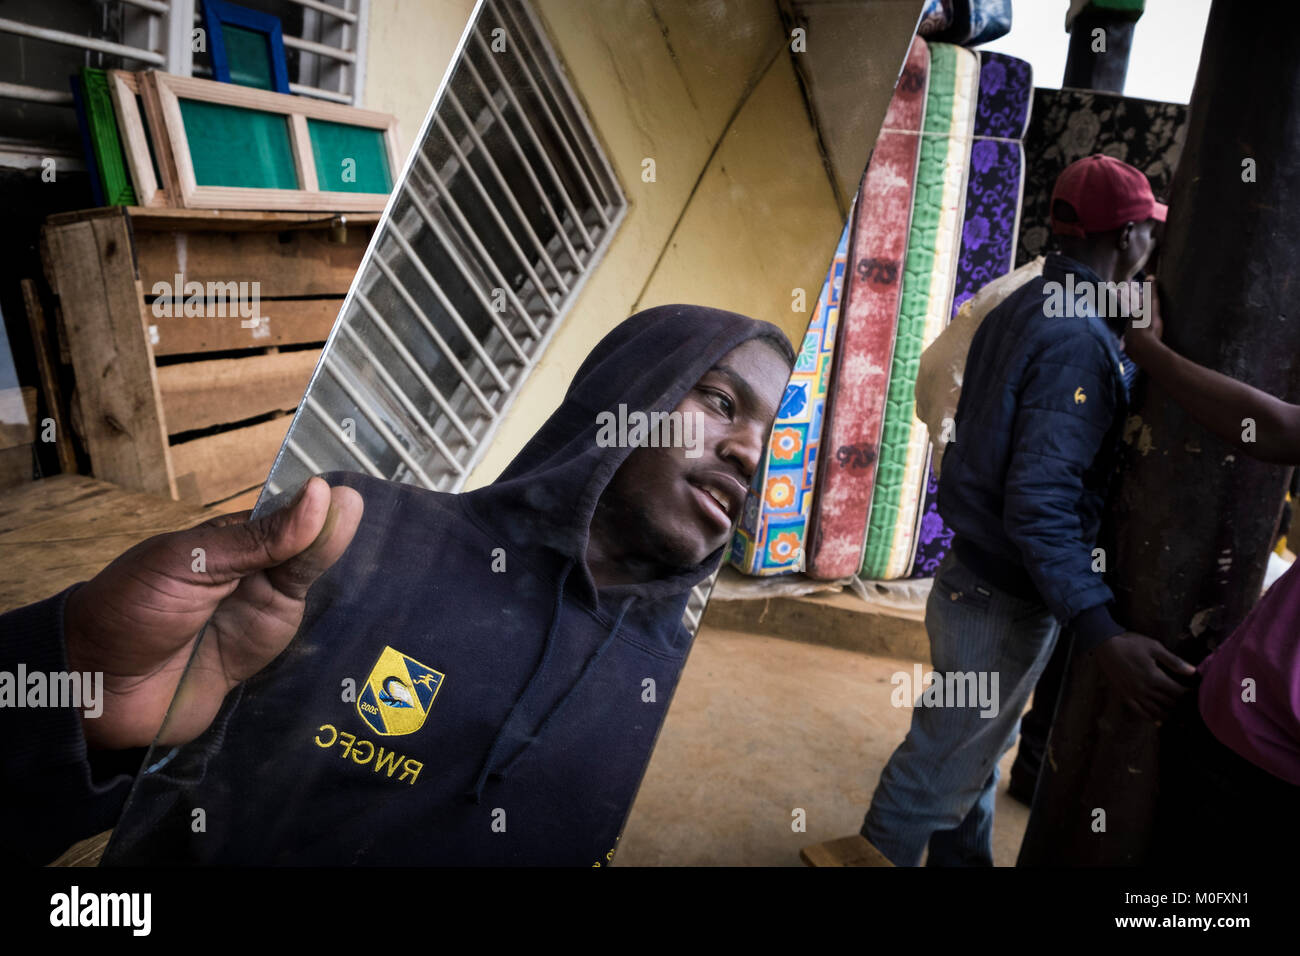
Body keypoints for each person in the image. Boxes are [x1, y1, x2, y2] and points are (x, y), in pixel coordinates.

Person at [0, 304, 793, 866]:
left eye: (769, 436)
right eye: (721, 402)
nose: (748, 455)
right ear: (625, 392)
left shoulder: (669, 692)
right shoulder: (353, 533)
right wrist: (77, 686)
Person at [859, 154, 1195, 867]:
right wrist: (1102, 631)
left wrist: (1135, 349)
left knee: (974, 753)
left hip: (973, 583)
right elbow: (1041, 504)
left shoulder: (1032, 299)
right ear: (1127, 235)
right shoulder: (1075, 339)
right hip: (1001, 605)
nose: (1150, 246)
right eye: (1147, 232)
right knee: (932, 775)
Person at [1124, 293, 1300, 863]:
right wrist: (1148, 349)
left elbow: (1272, 429)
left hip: (1241, 732)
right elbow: (1268, 428)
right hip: (1237, 732)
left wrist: (1147, 349)